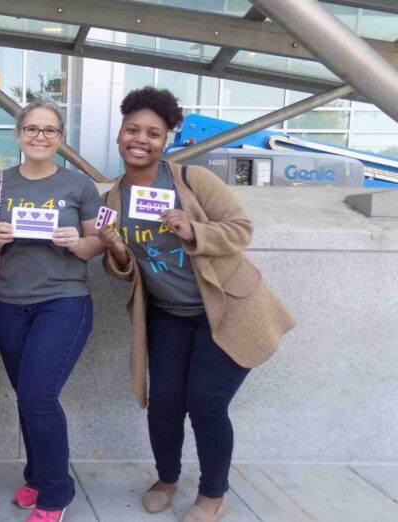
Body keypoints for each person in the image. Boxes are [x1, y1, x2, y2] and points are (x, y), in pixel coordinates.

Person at [98, 87, 295, 522]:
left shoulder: (191, 181)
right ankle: (167, 478)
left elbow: (241, 229)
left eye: (153, 132)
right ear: (119, 135)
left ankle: (212, 494)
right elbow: (124, 271)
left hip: (226, 308)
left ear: (166, 139)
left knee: (205, 403)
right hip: (169, 316)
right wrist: (114, 251)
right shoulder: (111, 200)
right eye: (132, 129)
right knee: (165, 400)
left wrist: (194, 231)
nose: (140, 139)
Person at [0, 98, 103, 522]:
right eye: (32, 129)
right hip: (11, 305)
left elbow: (92, 246)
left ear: (61, 139)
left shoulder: (79, 185)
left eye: (50, 130)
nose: (40, 137)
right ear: (18, 134)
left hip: (63, 301)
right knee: (28, 398)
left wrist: (74, 242)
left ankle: (56, 492)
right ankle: (37, 475)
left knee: (38, 396)